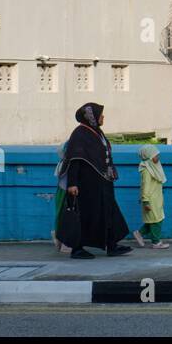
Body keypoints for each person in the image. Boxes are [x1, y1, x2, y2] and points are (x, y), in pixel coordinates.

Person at [58, 103, 132, 259]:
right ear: (91, 117)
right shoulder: (80, 134)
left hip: (103, 182)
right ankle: (77, 249)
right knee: (85, 215)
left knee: (110, 212)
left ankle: (112, 245)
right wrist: (72, 183)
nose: (103, 117)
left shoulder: (96, 132)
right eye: (100, 115)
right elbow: (74, 160)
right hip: (86, 185)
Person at [132, 145, 170, 250]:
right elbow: (145, 186)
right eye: (155, 155)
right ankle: (156, 242)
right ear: (149, 156)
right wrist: (145, 201)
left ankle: (139, 233)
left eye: (158, 155)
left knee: (155, 220)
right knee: (156, 221)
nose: (158, 157)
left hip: (156, 199)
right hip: (150, 200)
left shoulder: (154, 167)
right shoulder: (146, 170)